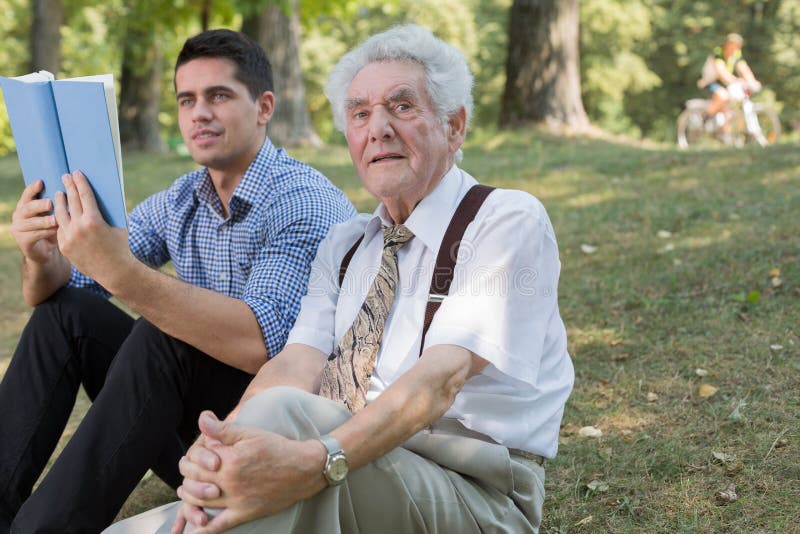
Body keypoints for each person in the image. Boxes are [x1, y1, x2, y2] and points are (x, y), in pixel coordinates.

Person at [108, 24, 573, 534]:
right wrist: (221, 441)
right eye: (359, 114)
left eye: (401, 107)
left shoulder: (505, 220)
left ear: (455, 126)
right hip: (351, 459)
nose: (377, 129)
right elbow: (293, 364)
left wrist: (315, 460)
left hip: (473, 490)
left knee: (281, 421)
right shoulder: (348, 243)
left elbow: (440, 381)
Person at [0, 29, 355, 533]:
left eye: (219, 96)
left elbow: (261, 345)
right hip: (191, 433)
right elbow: (60, 290)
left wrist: (122, 271)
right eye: (187, 100)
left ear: (264, 107)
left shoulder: (302, 202)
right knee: (67, 314)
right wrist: (40, 256)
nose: (199, 114)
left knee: (162, 333)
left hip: (268, 441)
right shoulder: (184, 197)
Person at [697, 33, 762, 120]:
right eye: (733, 45)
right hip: (710, 82)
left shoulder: (736, 54)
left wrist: (752, 81)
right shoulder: (718, 52)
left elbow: (744, 68)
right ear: (727, 44)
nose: (735, 48)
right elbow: (721, 71)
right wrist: (736, 80)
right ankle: (704, 119)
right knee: (723, 96)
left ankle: (725, 132)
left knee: (730, 105)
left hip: (724, 83)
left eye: (738, 46)